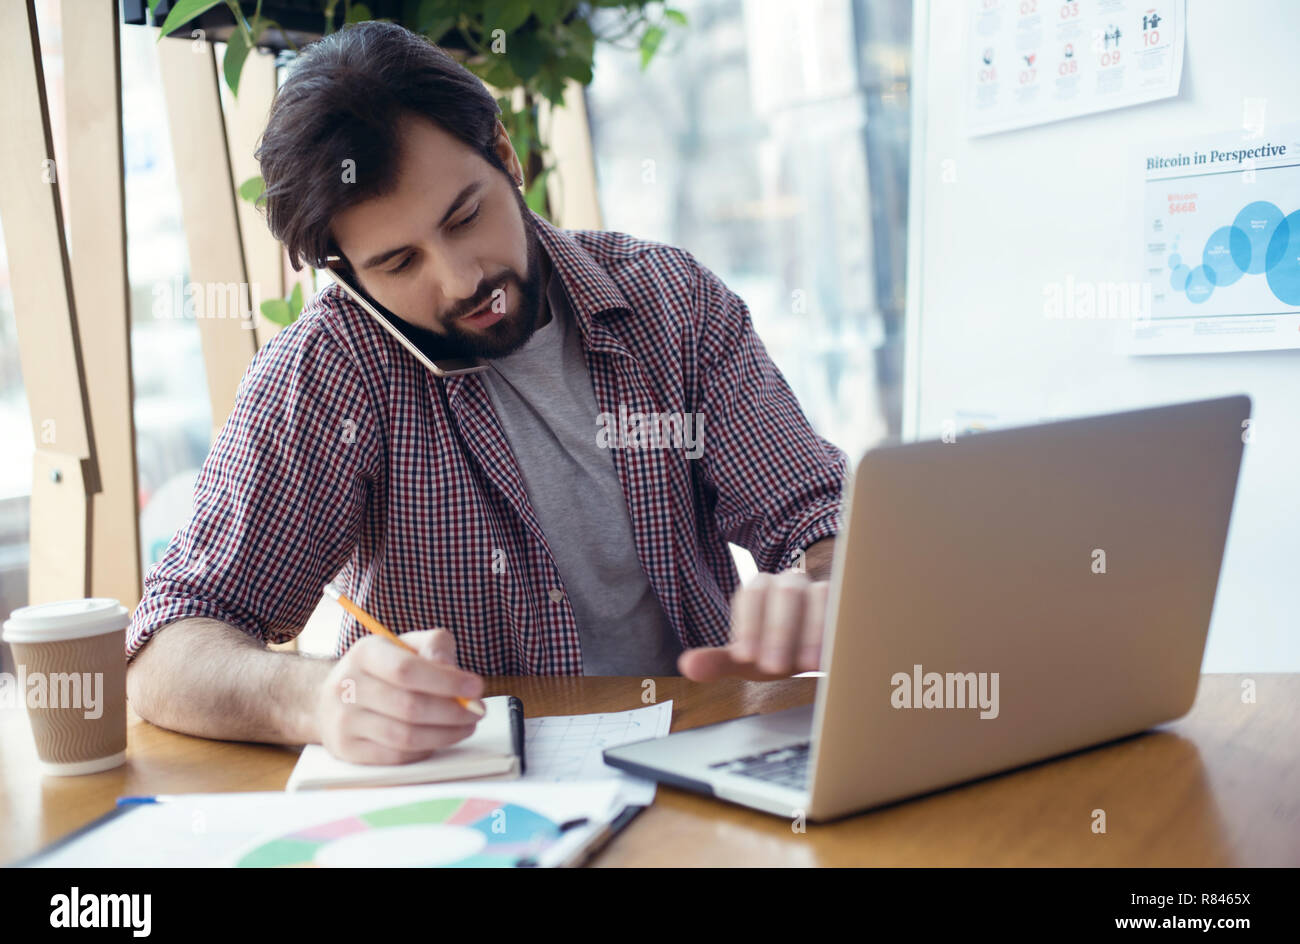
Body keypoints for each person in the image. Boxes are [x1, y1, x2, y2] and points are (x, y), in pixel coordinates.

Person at [125, 22, 847, 765]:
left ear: (505, 155)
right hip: (471, 798)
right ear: (347, 276)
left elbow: (821, 516)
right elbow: (167, 645)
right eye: (400, 261)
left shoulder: (672, 303)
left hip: (706, 760)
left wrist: (822, 586)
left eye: (465, 216)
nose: (461, 279)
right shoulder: (332, 367)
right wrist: (318, 696)